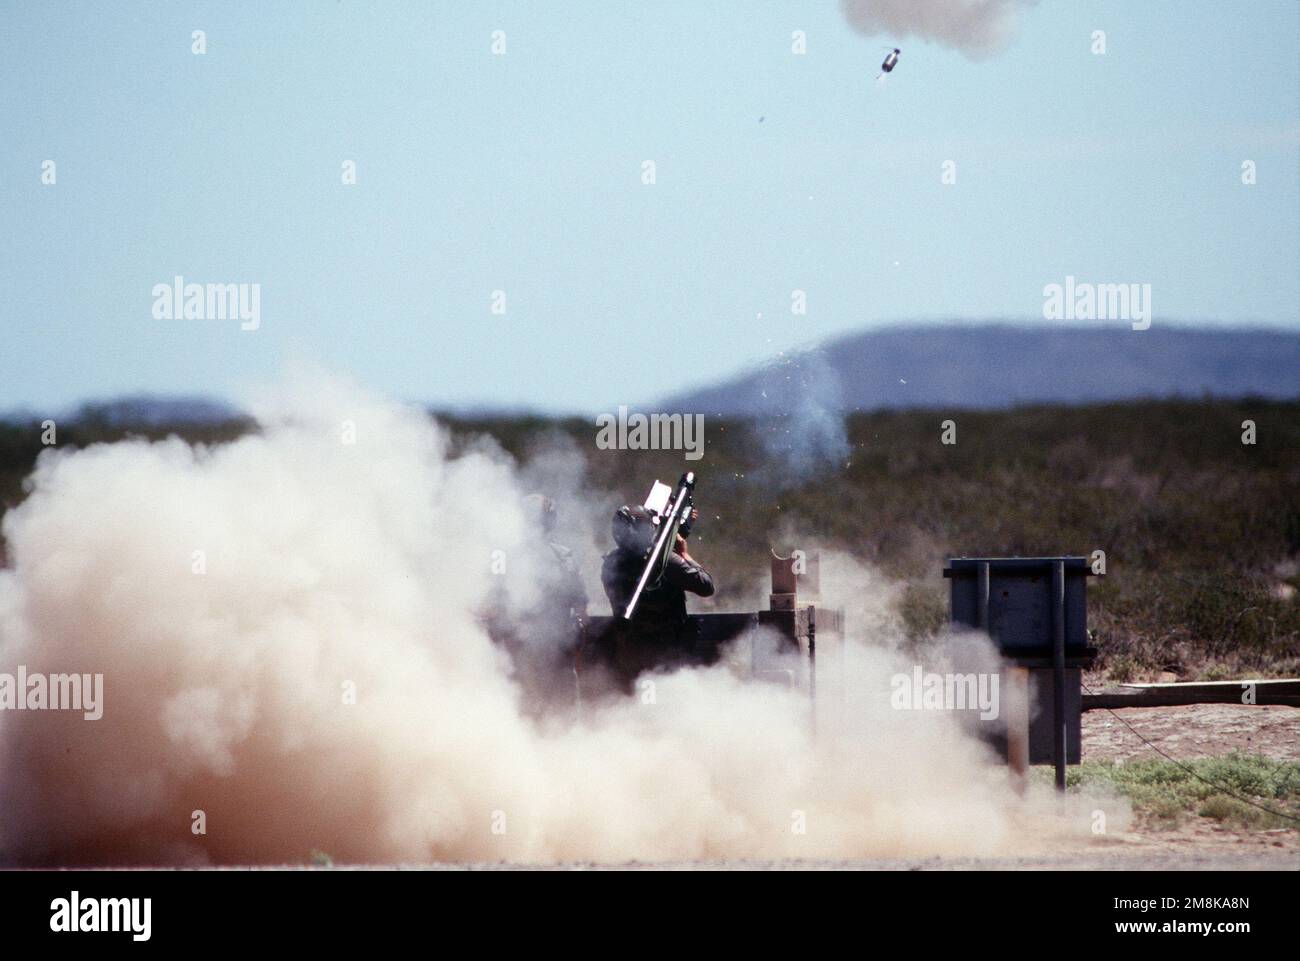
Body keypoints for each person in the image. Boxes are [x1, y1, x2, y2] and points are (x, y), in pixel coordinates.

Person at [600, 504, 714, 687]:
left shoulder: (610, 563)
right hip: (667, 654)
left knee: (634, 707)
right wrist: (683, 554)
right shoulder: (666, 562)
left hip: (630, 652)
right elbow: (706, 586)